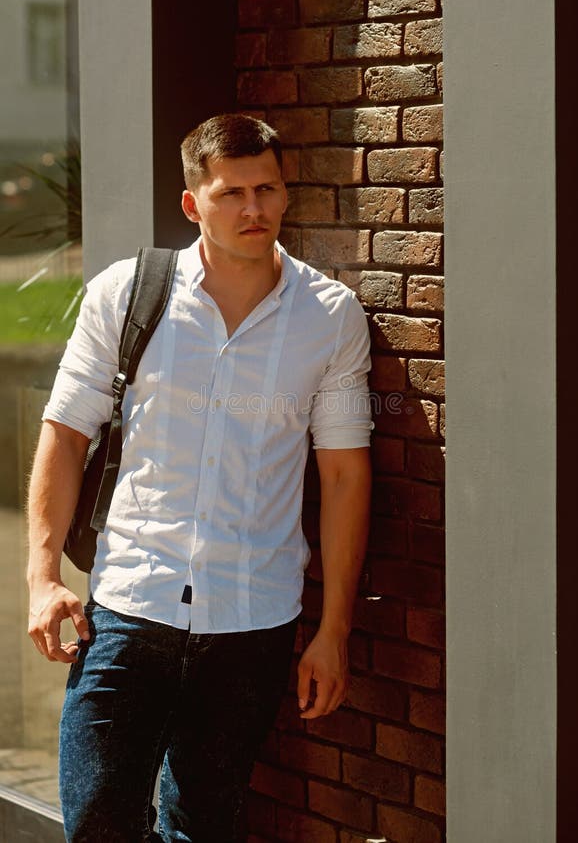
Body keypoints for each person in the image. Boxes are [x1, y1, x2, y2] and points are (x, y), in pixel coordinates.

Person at [26, 113, 372, 842]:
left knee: (206, 827)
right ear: (193, 204)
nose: (253, 209)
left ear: (285, 194)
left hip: (254, 621)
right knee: (97, 824)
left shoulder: (329, 316)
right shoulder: (126, 293)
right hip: (128, 608)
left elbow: (344, 477)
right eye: (230, 193)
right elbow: (63, 434)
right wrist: (41, 575)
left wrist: (333, 628)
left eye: (267, 189)